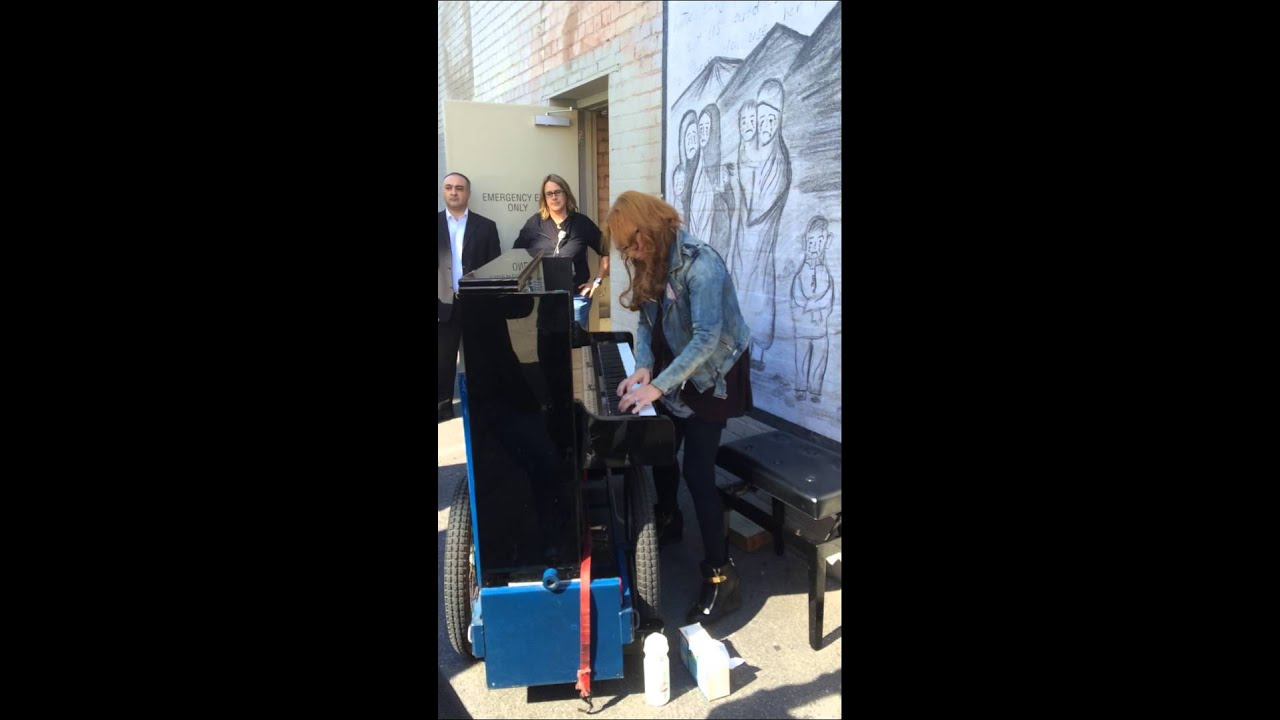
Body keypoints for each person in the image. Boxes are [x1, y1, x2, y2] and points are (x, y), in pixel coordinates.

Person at [608, 190, 754, 625]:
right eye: (625, 248)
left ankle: (720, 576)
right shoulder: (650, 258)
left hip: (716, 373)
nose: (631, 253)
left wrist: (659, 386)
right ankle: (669, 520)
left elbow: (707, 340)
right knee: (662, 443)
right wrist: (644, 367)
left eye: (633, 243)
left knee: (697, 471)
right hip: (678, 359)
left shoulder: (701, 264)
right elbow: (645, 318)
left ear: (651, 227)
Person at [438, 171, 501, 423]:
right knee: (442, 361)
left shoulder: (486, 226)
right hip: (443, 304)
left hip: (476, 304)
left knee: (481, 357)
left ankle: (481, 403)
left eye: (459, 188)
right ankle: (443, 406)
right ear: (443, 191)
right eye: (449, 187)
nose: (454, 192)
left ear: (468, 193)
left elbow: (494, 267)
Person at [740, 79, 791, 371]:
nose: (764, 126)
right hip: (746, 243)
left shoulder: (779, 161)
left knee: (760, 294)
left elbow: (758, 208)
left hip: (761, 244)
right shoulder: (754, 154)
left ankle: (758, 353)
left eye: (771, 119)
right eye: (761, 120)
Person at [513, 174, 608, 331]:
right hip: (546, 298)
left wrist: (596, 282)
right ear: (544, 198)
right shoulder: (535, 223)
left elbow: (605, 250)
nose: (554, 197)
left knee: (572, 346)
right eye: (549, 194)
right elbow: (517, 253)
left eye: (558, 192)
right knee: (547, 344)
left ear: (566, 194)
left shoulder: (581, 223)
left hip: (576, 297)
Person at [790, 216, 834, 403]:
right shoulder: (801, 272)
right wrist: (810, 305)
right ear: (805, 242)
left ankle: (815, 391)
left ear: (827, 241)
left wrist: (813, 305)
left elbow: (828, 298)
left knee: (819, 360)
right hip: (802, 327)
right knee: (802, 358)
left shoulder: (826, 272)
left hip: (820, 327)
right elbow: (797, 296)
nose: (814, 246)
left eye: (819, 240)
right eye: (811, 241)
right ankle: (801, 388)